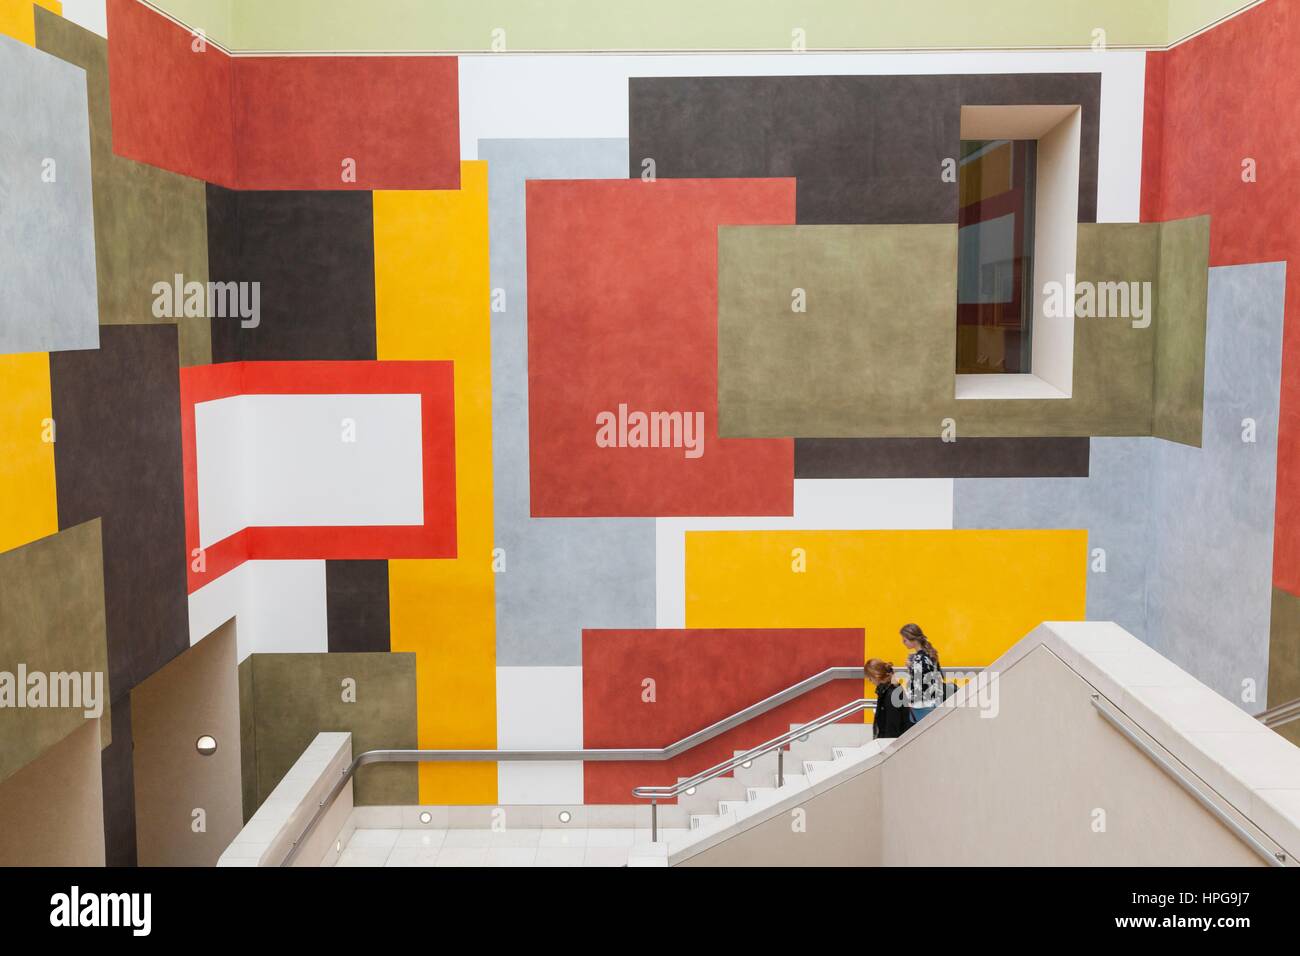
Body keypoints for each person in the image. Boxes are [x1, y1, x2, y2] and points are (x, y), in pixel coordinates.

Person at [900, 622, 945, 721]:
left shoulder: (918, 658)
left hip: (922, 704)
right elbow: (939, 676)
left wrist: (911, 668)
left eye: (905, 640)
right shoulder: (930, 654)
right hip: (935, 700)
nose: (903, 643)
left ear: (913, 639)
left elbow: (917, 684)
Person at [865, 658, 913, 739]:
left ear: (877, 675)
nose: (869, 680)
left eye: (870, 677)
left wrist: (886, 748)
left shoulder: (891, 694)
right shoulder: (890, 691)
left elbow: (892, 727)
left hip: (893, 744)